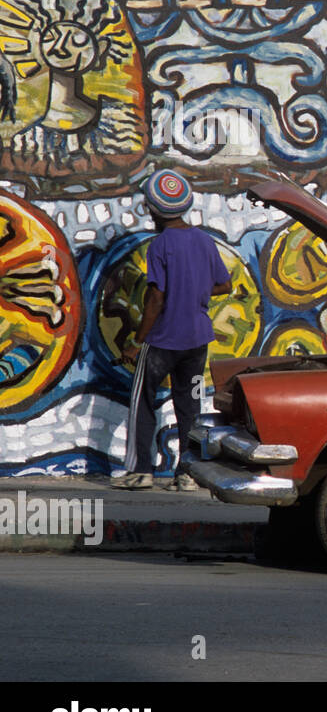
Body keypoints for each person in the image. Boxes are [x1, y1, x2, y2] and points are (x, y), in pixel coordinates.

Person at [114, 170, 231, 490]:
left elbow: (156, 299)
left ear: (154, 210)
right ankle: (187, 474)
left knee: (143, 402)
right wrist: (195, 291)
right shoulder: (205, 241)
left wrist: (137, 342)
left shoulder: (160, 245)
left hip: (163, 339)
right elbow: (225, 284)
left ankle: (141, 471)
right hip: (197, 339)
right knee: (190, 407)